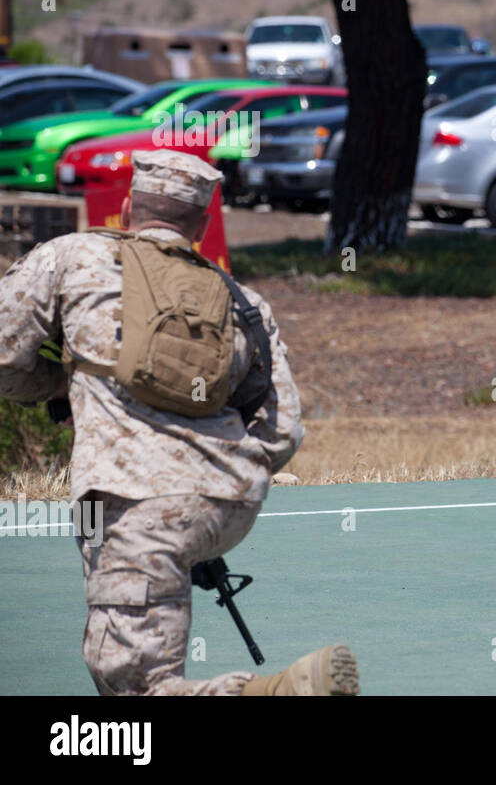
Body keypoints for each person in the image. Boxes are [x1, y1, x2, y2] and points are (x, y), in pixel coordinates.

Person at [0, 150, 358, 696]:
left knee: (134, 687)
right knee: (110, 598)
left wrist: (55, 385)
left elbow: (4, 358)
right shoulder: (243, 302)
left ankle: (268, 693)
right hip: (225, 503)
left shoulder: (70, 258)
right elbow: (282, 432)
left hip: (125, 504)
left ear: (125, 208)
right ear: (204, 225)